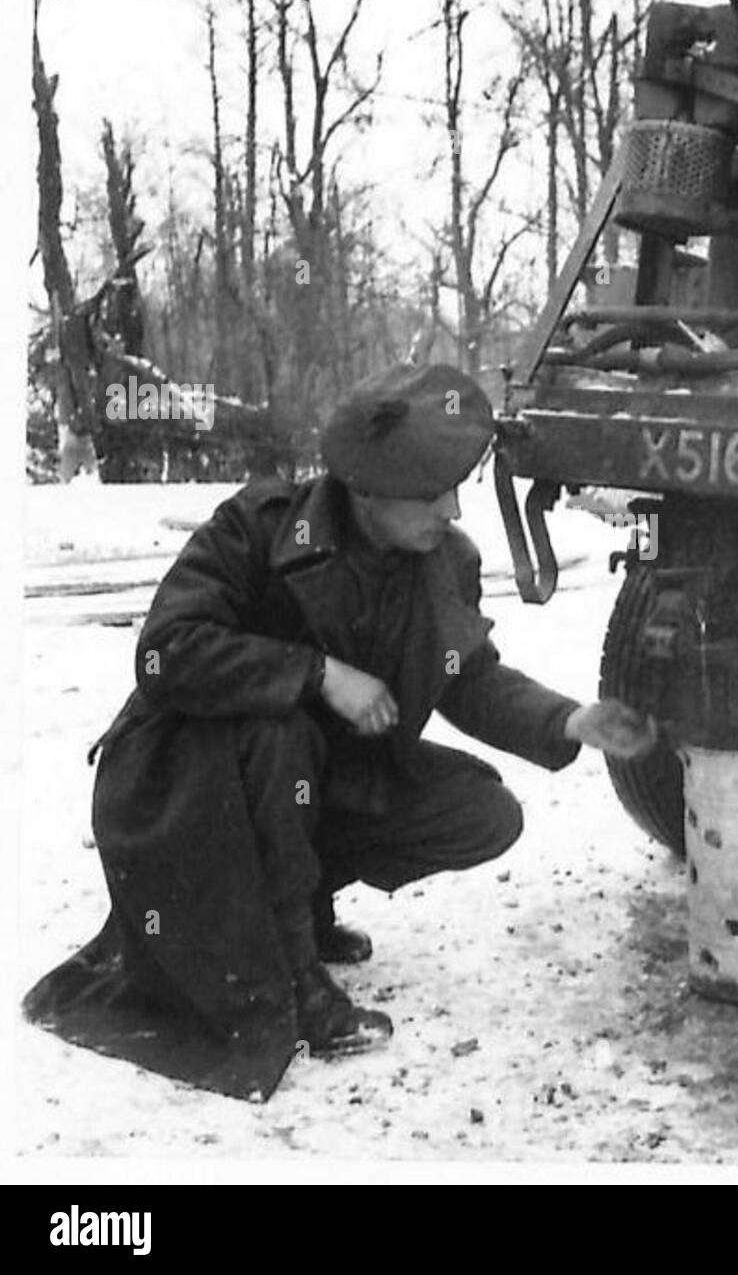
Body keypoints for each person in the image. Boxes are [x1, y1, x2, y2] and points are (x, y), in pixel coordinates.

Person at [23, 362, 656, 1101]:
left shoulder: (441, 560)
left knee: (480, 811)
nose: (451, 509)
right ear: (365, 492)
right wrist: (319, 673)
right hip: (191, 780)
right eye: (430, 494)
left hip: (308, 779)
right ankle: (296, 981)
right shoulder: (258, 528)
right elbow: (168, 651)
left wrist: (571, 719)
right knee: (279, 735)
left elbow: (469, 674)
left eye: (454, 488)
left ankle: (305, 903)